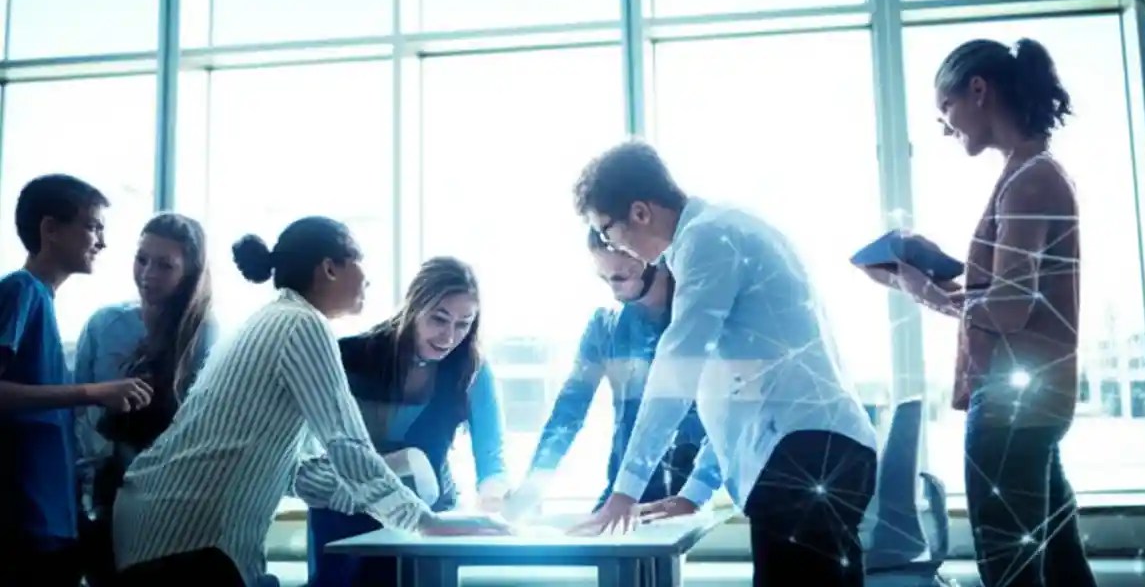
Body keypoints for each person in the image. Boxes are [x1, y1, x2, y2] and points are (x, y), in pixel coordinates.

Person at [111, 217, 510, 587]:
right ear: (330, 268)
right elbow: (348, 447)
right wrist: (424, 521)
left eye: (463, 324)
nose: (368, 279)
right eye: (360, 263)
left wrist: (419, 514)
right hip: (185, 531)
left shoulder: (275, 318)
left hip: (168, 522)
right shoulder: (303, 325)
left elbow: (304, 472)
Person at [568, 142, 879, 587]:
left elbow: (676, 372)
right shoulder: (722, 230)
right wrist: (694, 492)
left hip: (802, 458)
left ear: (639, 212)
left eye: (606, 229)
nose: (610, 243)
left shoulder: (706, 240)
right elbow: (741, 389)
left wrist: (625, 491)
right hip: (814, 452)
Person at [858, 38, 1095, 587]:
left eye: (946, 107)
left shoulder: (1029, 179)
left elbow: (1009, 309)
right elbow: (1011, 296)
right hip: (1032, 400)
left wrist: (921, 289)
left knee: (1010, 571)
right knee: (1061, 567)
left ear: (979, 90)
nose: (945, 126)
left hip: (1011, 406)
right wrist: (937, 282)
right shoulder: (1031, 174)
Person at [299, 256, 511, 587]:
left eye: (463, 324)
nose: (449, 336)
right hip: (346, 515)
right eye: (439, 319)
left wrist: (493, 500)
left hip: (430, 518)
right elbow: (309, 454)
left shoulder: (471, 370)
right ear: (414, 306)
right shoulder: (347, 357)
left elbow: (491, 457)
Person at [0, 174, 154, 587]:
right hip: (25, 521)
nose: (101, 242)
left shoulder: (42, 301)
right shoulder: (21, 290)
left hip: (52, 517)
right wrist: (93, 393)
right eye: (92, 226)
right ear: (50, 229)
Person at [503, 228, 705, 521]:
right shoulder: (604, 327)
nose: (613, 290)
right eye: (604, 278)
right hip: (622, 496)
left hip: (691, 501)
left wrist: (699, 493)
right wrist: (532, 488)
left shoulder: (698, 325)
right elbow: (568, 413)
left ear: (651, 259)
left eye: (619, 278)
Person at [74, 212, 218, 586]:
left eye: (165, 265)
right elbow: (80, 414)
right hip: (106, 489)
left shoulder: (205, 334)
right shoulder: (105, 323)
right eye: (141, 259)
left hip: (175, 496)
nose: (147, 274)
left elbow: (207, 427)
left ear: (189, 271)